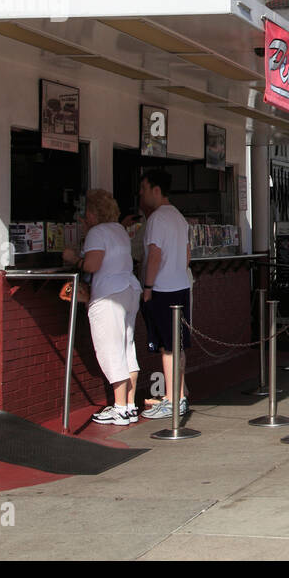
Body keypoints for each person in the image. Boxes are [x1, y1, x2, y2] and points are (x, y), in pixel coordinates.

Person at [63, 190, 141, 425]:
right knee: (127, 347)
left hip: (109, 295)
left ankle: (119, 408)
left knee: (110, 349)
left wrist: (72, 258)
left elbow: (92, 265)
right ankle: (129, 405)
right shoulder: (119, 230)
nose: (84, 218)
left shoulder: (97, 232)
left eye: (86, 213)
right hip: (129, 289)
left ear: (93, 213)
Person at [138, 169, 192, 419]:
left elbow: (155, 255)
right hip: (181, 286)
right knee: (177, 344)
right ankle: (179, 394)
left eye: (144, 188)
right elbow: (187, 255)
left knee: (167, 347)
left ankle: (172, 400)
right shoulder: (179, 218)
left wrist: (147, 287)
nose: (141, 194)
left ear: (156, 190)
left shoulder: (157, 219)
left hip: (162, 289)